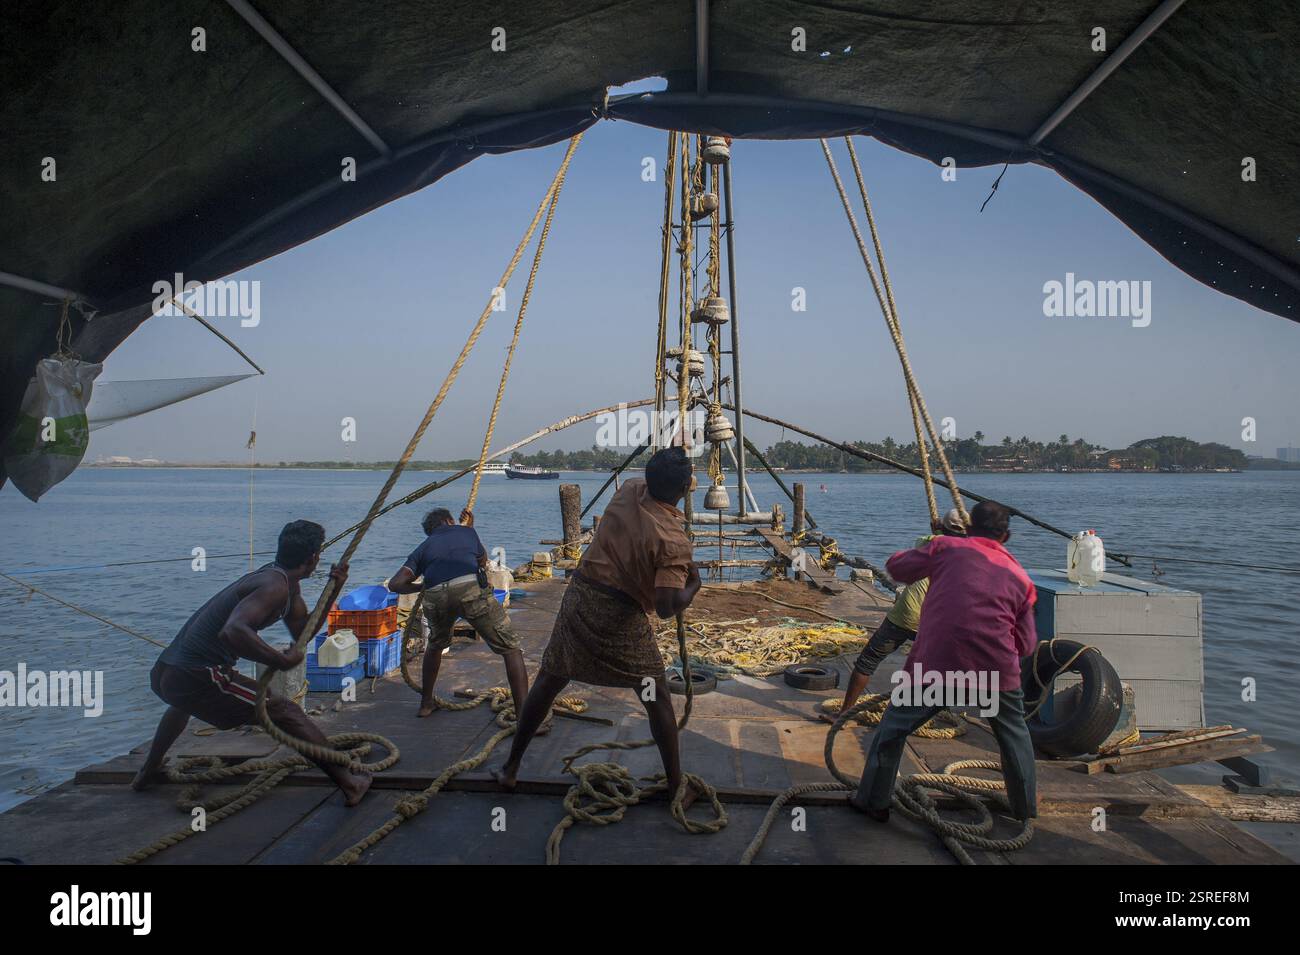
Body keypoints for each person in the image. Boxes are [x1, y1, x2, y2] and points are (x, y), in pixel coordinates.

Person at [493, 446, 701, 806]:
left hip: (580, 595)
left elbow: (655, 488)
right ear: (684, 489)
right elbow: (667, 608)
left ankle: (511, 768)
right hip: (619, 615)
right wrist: (693, 585)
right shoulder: (672, 541)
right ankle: (675, 787)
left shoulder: (629, 490)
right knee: (657, 697)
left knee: (550, 678)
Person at [133, 520, 372, 806]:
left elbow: (301, 633)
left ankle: (149, 769)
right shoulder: (274, 586)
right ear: (313, 559)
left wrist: (334, 589)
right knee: (285, 711)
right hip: (197, 674)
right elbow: (233, 630)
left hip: (168, 674)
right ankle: (349, 781)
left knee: (183, 703)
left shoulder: (284, 584)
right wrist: (279, 660)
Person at [851, 500, 1038, 823]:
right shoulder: (1021, 579)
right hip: (996, 674)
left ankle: (874, 801)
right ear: (1005, 537)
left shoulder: (945, 549)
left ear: (968, 528)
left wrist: (934, 540)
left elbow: (896, 568)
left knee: (892, 732)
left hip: (936, 669)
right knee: (1015, 739)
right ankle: (1024, 810)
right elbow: (1026, 644)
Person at [824, 507, 967, 724]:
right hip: (935, 621)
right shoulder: (974, 555)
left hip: (907, 613)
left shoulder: (929, 542)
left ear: (942, 527)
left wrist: (935, 528)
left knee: (867, 661)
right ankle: (927, 714)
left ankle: (844, 713)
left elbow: (924, 542)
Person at [386, 506, 527, 718]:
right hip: (469, 589)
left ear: (430, 531)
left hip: (435, 595)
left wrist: (420, 587)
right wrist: (469, 528)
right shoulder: (467, 532)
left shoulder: (423, 548)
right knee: (511, 648)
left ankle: (425, 704)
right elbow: (482, 561)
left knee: (435, 645)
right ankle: (524, 713)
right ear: (450, 520)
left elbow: (396, 584)